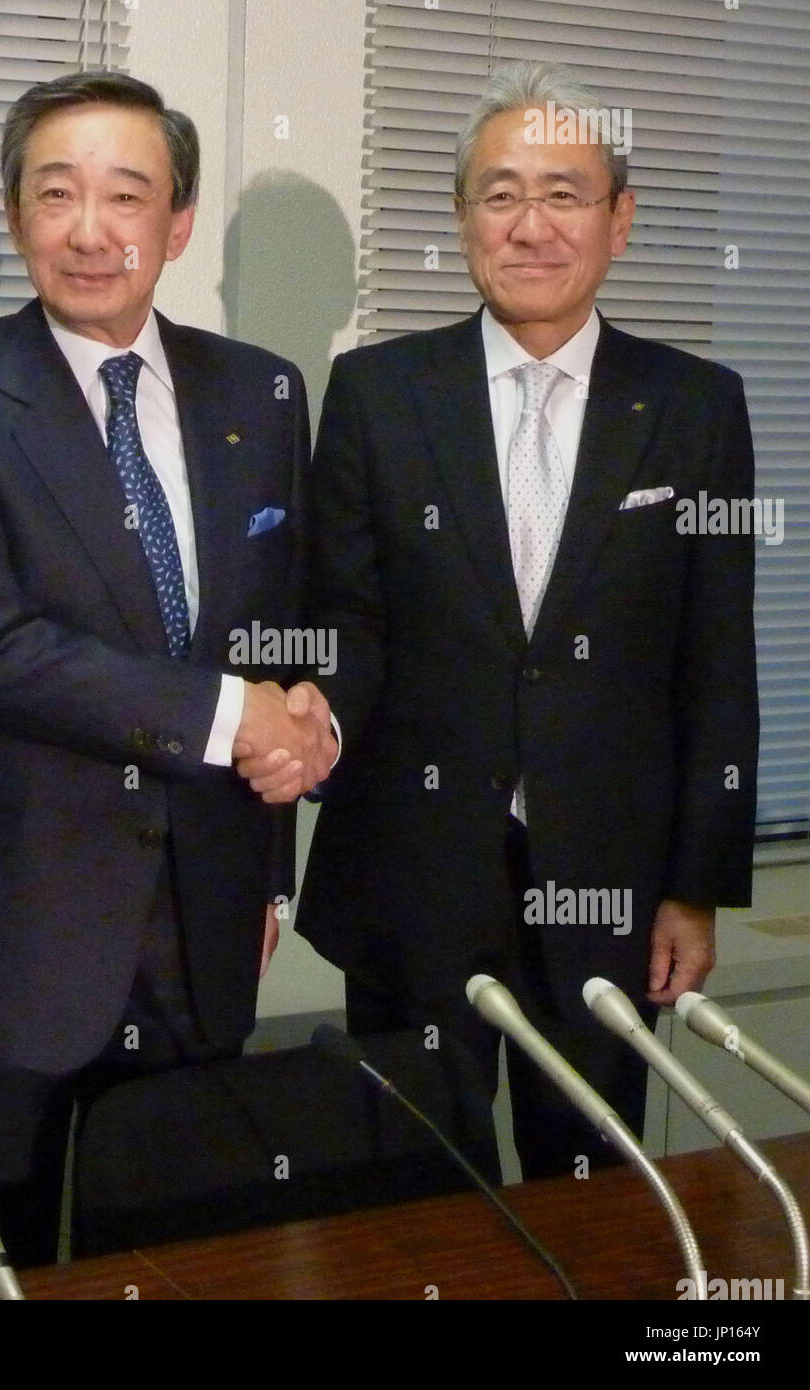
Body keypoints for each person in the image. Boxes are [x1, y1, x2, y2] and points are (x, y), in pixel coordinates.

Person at [0, 70, 336, 1264]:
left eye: (125, 196)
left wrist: (276, 837)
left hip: (208, 915)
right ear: (18, 214)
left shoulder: (262, 391)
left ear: (175, 222)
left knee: (179, 1247)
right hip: (5, 928)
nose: (89, 229)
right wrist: (239, 717)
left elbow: (276, 634)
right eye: (55, 193)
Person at [291, 60, 759, 1181]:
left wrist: (693, 885)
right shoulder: (372, 391)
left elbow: (715, 660)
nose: (529, 225)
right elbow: (342, 620)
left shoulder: (695, 406)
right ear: (461, 220)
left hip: (610, 886)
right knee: (410, 1197)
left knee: (593, 1199)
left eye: (563, 192)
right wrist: (303, 725)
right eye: (499, 194)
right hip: (411, 876)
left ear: (618, 219)